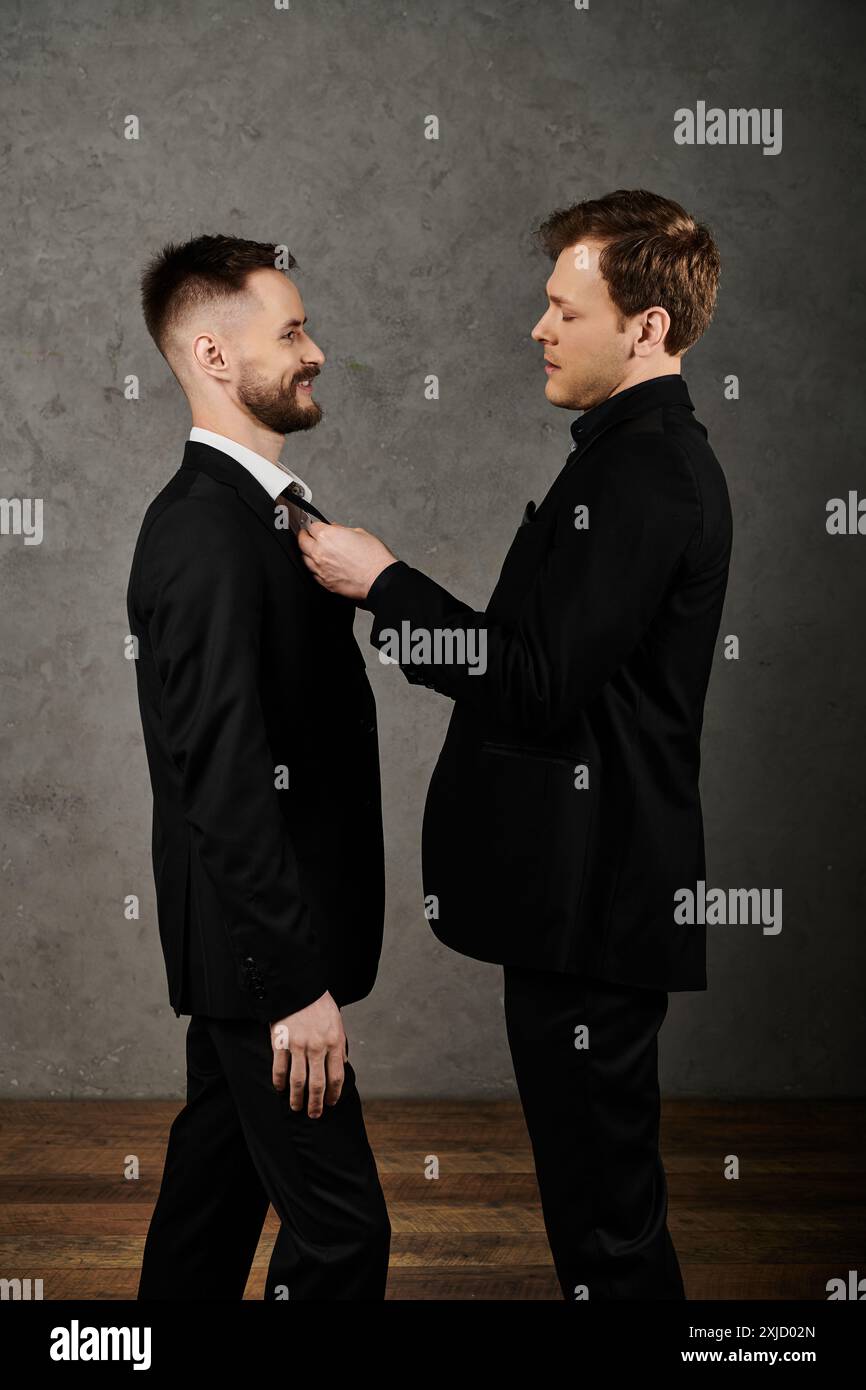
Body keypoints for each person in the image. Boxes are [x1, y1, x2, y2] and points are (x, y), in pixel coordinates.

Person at [299, 189, 732, 1300]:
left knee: (606, 1226)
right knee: (598, 1209)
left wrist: (379, 581)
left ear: (644, 329)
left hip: (594, 906)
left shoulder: (644, 470)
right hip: (578, 905)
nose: (537, 330)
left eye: (561, 309)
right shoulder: (624, 457)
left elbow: (531, 683)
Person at [127, 235, 390, 1300]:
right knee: (341, 1236)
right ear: (213, 355)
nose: (315, 350)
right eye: (290, 331)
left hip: (261, 955)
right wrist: (292, 989)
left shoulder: (274, 517)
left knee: (209, 1206)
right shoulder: (202, 533)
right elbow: (223, 783)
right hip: (262, 967)